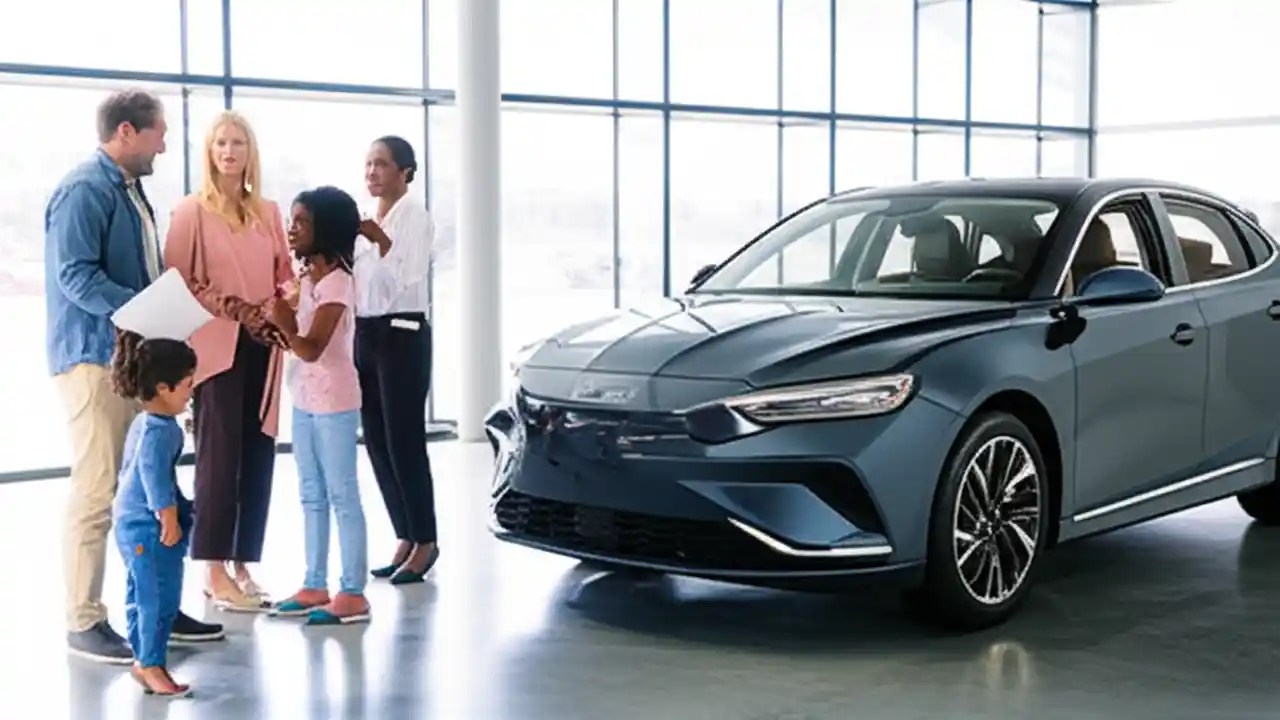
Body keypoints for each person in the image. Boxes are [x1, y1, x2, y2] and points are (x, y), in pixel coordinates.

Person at [45, 88, 223, 664]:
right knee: (99, 489)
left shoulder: (128, 190)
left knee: (146, 490)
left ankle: (155, 609)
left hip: (126, 359)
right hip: (92, 360)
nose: (163, 146)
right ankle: (83, 620)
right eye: (158, 134)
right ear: (126, 131)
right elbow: (75, 276)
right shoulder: (84, 190)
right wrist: (144, 311)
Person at [164, 110, 291, 611]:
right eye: (221, 143)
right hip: (216, 348)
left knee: (258, 456)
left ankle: (242, 563)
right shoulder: (191, 211)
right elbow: (179, 280)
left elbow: (284, 275)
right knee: (218, 461)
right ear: (209, 151)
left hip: (265, 345)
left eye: (238, 142)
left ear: (250, 151)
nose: (229, 151)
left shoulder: (269, 213)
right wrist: (235, 308)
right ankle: (213, 568)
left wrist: (283, 300)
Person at [268, 186, 370, 624]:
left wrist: (285, 322)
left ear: (325, 229)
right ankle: (314, 583)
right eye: (292, 220)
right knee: (311, 493)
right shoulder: (309, 280)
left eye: (302, 222)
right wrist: (281, 324)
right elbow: (297, 346)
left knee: (342, 494)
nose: (292, 229)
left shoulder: (339, 284)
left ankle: (353, 592)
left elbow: (310, 348)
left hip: (335, 402)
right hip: (305, 398)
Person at [353, 136, 439, 584]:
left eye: (382, 164)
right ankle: (404, 534)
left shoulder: (414, 217)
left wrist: (380, 241)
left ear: (405, 171)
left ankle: (426, 539)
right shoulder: (368, 219)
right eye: (368, 164)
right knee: (377, 441)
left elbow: (407, 276)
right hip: (366, 334)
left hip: (402, 334)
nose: (372, 172)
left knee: (405, 442)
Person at [110, 330, 199, 698]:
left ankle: (145, 661)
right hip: (146, 527)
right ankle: (150, 663)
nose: (191, 392)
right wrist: (169, 516)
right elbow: (152, 475)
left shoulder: (148, 423)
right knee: (156, 598)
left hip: (131, 523)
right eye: (187, 385)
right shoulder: (159, 431)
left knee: (144, 593)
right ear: (163, 388)